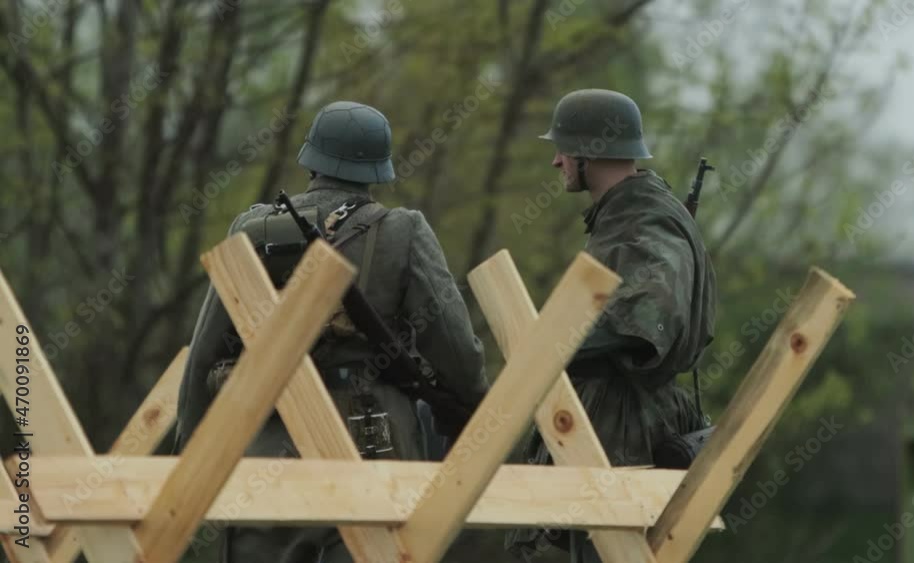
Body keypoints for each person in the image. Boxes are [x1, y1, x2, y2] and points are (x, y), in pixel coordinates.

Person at [173, 101, 488, 562]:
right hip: (375, 448)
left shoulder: (253, 229)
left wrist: (193, 459)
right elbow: (457, 352)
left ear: (311, 159)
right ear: (378, 168)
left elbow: (205, 354)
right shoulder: (403, 232)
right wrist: (471, 413)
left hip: (269, 446)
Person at [506, 89, 717, 562]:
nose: (556, 161)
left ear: (589, 154)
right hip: (613, 420)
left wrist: (555, 342)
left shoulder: (645, 219)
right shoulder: (625, 214)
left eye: (563, 150)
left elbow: (652, 317)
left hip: (624, 429)